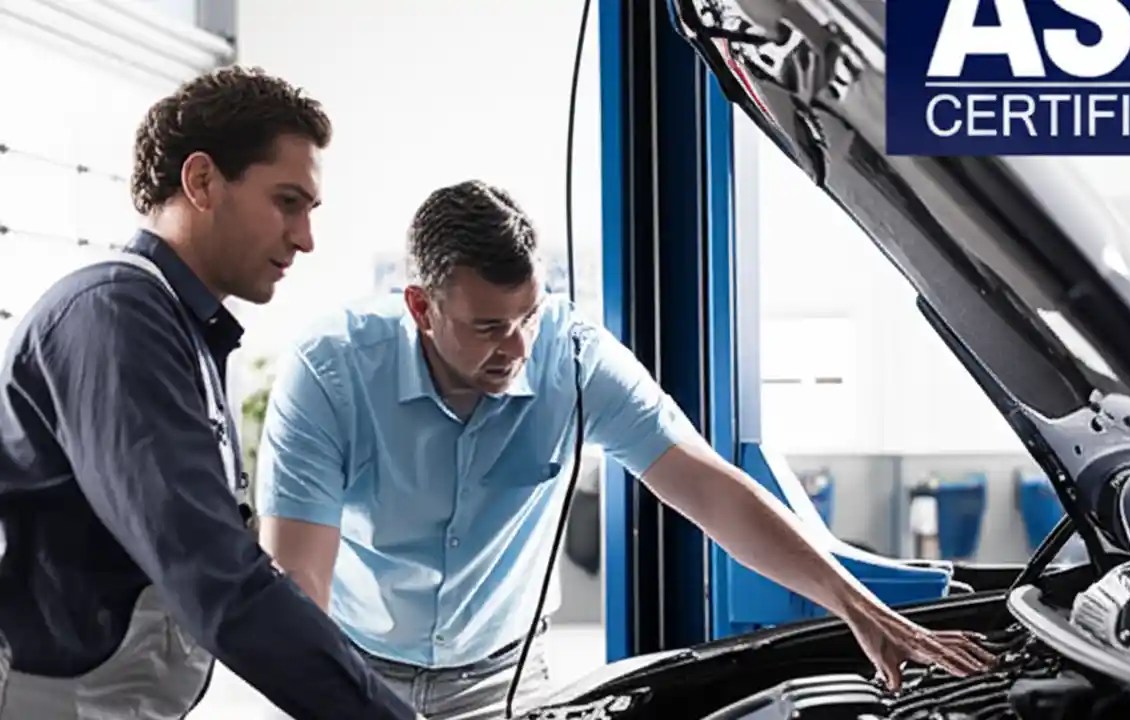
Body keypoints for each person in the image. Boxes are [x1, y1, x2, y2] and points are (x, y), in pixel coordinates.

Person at [254, 179, 997, 718]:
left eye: (528, 317)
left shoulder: (574, 358)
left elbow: (712, 490)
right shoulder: (332, 372)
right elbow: (298, 583)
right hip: (352, 666)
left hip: (504, 677)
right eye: (488, 327)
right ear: (421, 306)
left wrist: (860, 608)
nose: (517, 347)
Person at [0, 66, 419, 719]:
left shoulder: (181, 326)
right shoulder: (115, 317)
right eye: (287, 202)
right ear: (200, 181)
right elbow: (213, 573)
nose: (305, 239)